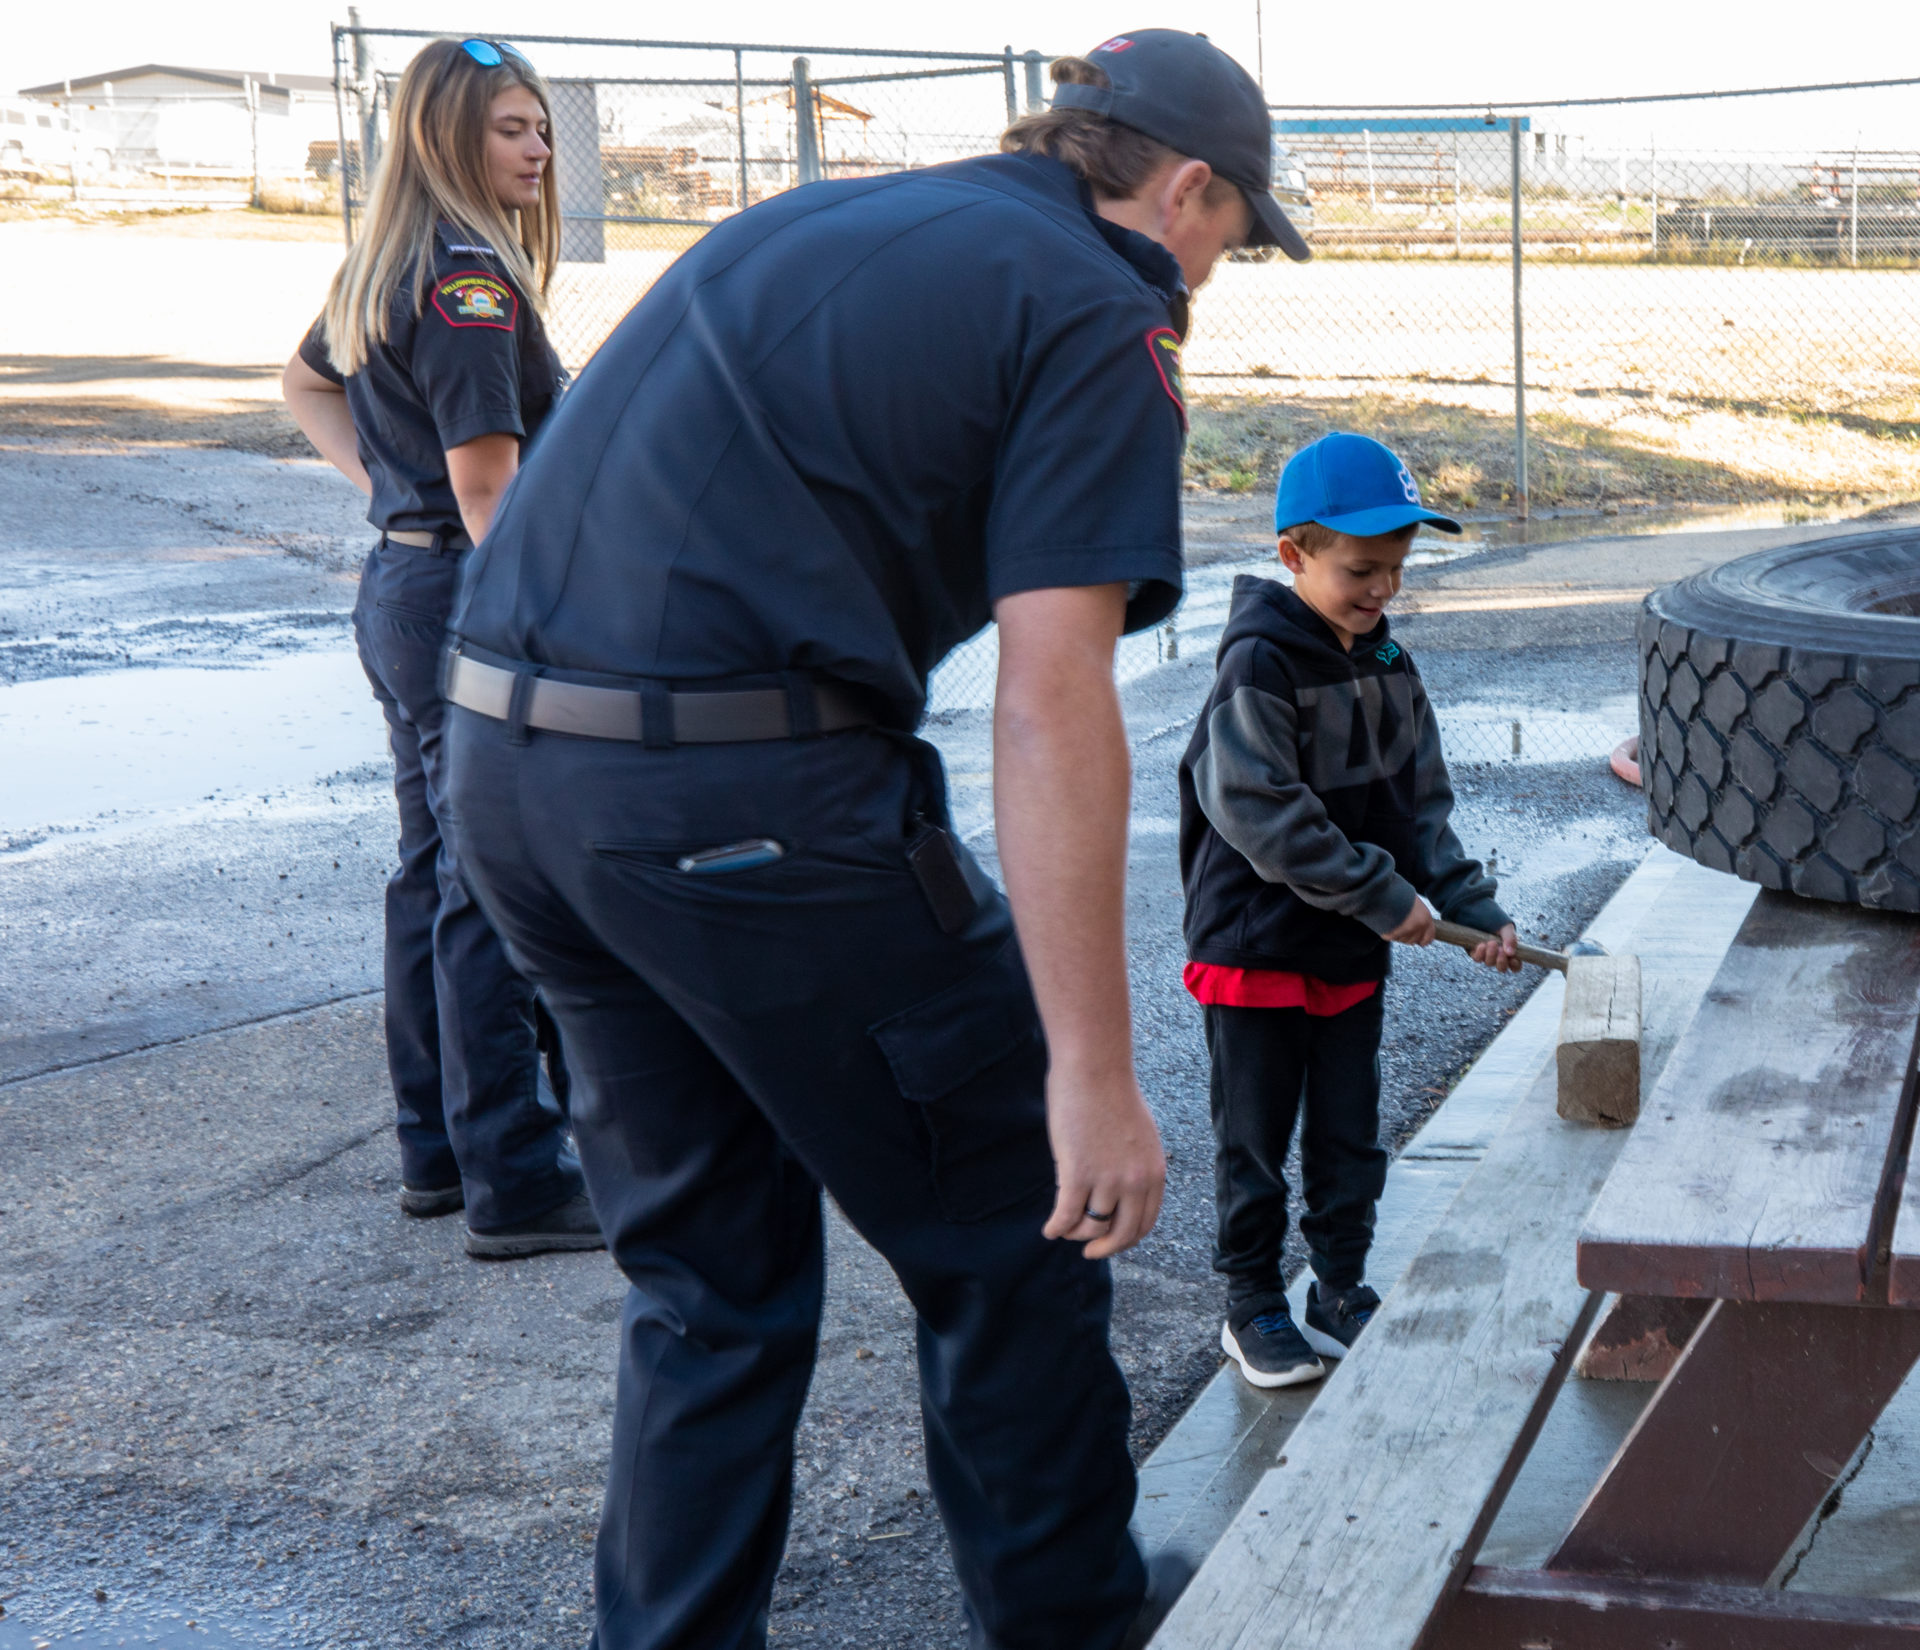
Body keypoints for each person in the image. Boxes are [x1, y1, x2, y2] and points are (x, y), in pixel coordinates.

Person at [437, 29, 1307, 1650]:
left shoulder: (825, 219)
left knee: (710, 1292)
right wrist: (1091, 1072)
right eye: (1232, 239)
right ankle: (1074, 1627)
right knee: (1017, 1233)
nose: (1218, 272)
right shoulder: (1096, 310)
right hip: (738, 809)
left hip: (506, 774)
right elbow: (1054, 707)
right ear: (1189, 189)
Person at [280, 37, 599, 1261]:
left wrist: (386, 493)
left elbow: (303, 382)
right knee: (490, 884)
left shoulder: (389, 262)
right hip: (472, 594)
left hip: (404, 586)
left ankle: (441, 1153)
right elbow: (489, 488)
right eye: (516, 127)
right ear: (448, 136)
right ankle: (515, 1177)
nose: (539, 147)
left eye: (540, 127)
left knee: (432, 870)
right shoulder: (471, 279)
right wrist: (547, 628)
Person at [1178, 431, 1522, 1389]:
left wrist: (1470, 906)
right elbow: (1262, 812)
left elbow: (1421, 808)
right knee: (1254, 1139)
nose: (1383, 590)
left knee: (1347, 1133)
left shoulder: (1391, 664)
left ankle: (1338, 1288)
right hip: (1255, 946)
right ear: (1294, 555)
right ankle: (1251, 1307)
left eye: (1398, 569)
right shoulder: (1259, 665)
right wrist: (1382, 895)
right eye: (1363, 569)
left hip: (1348, 945)